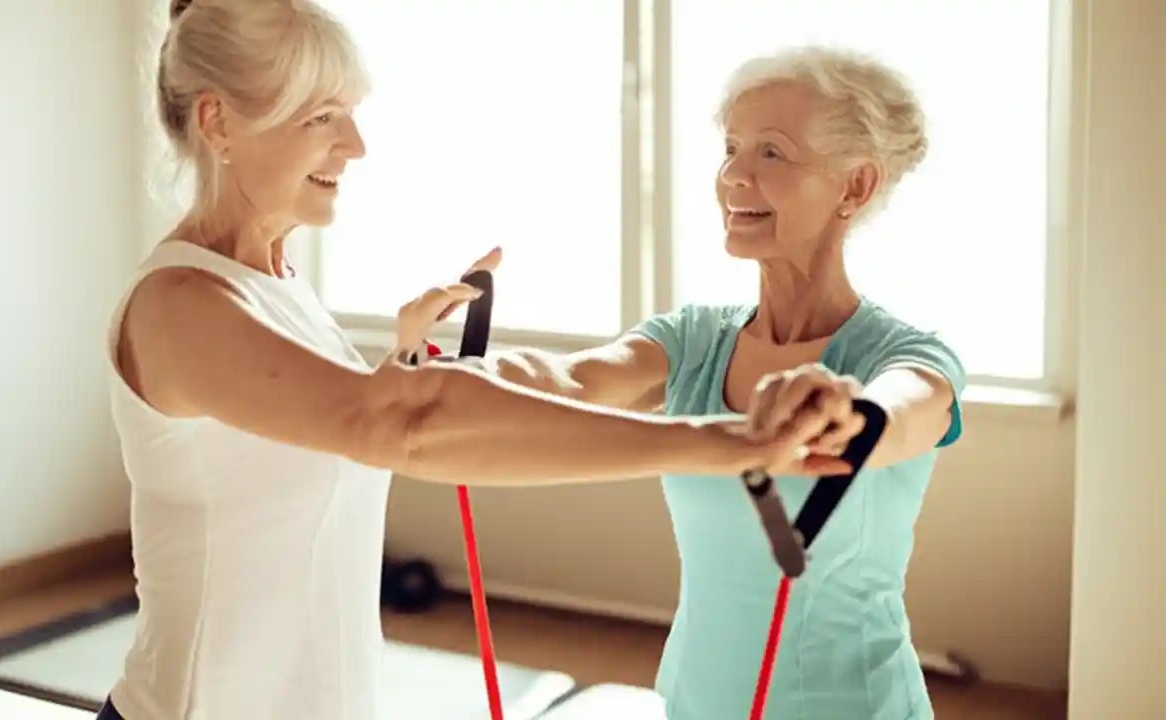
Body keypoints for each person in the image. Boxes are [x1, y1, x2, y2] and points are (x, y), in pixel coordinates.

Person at [98, 2, 854, 719]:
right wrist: (726, 442)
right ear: (218, 122)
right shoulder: (180, 305)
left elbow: (329, 430)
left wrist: (403, 356)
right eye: (320, 116)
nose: (355, 144)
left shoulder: (276, 284)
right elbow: (397, 424)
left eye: (348, 113)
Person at [468, 48, 966, 718]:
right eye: (731, 149)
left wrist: (847, 415)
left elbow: (902, 411)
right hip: (694, 696)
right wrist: (470, 375)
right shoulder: (694, 339)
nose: (733, 174)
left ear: (854, 187)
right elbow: (577, 380)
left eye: (771, 152)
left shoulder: (903, 356)